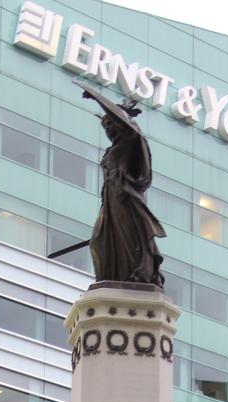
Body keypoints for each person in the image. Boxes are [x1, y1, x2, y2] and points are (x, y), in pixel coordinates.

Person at [83, 85, 165, 287]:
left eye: (112, 124)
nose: (109, 128)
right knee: (100, 240)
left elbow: (125, 124)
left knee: (127, 239)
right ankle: (114, 276)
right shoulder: (113, 149)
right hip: (111, 199)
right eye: (106, 126)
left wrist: (96, 98)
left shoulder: (131, 141)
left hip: (125, 199)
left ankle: (138, 273)